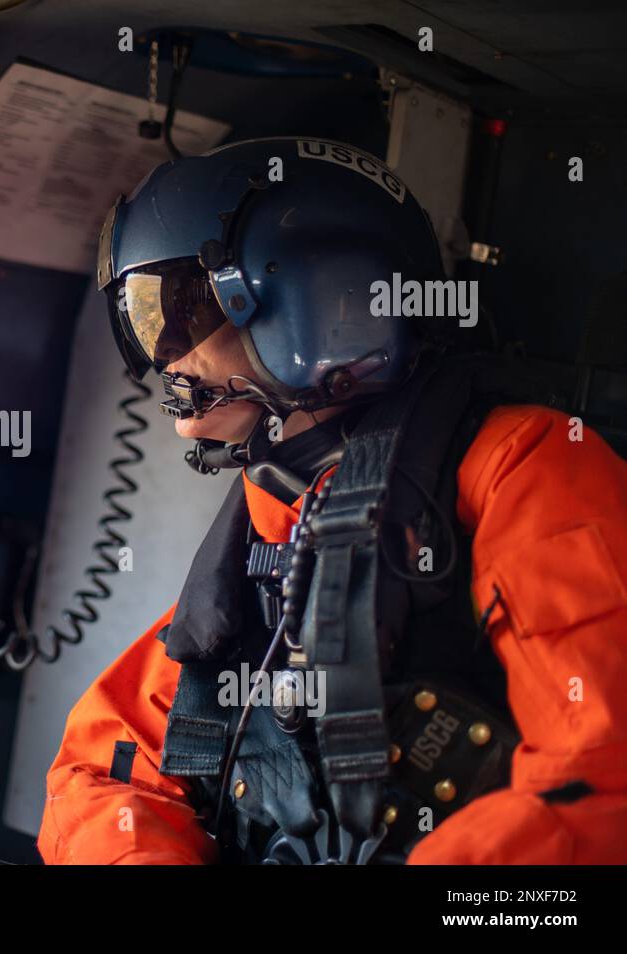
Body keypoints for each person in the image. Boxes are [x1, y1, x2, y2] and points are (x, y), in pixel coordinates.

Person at [38, 137, 627, 865]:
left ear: (324, 296)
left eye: (181, 311)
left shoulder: (519, 467)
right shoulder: (265, 529)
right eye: (142, 321)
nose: (164, 357)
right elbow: (97, 771)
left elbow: (600, 784)